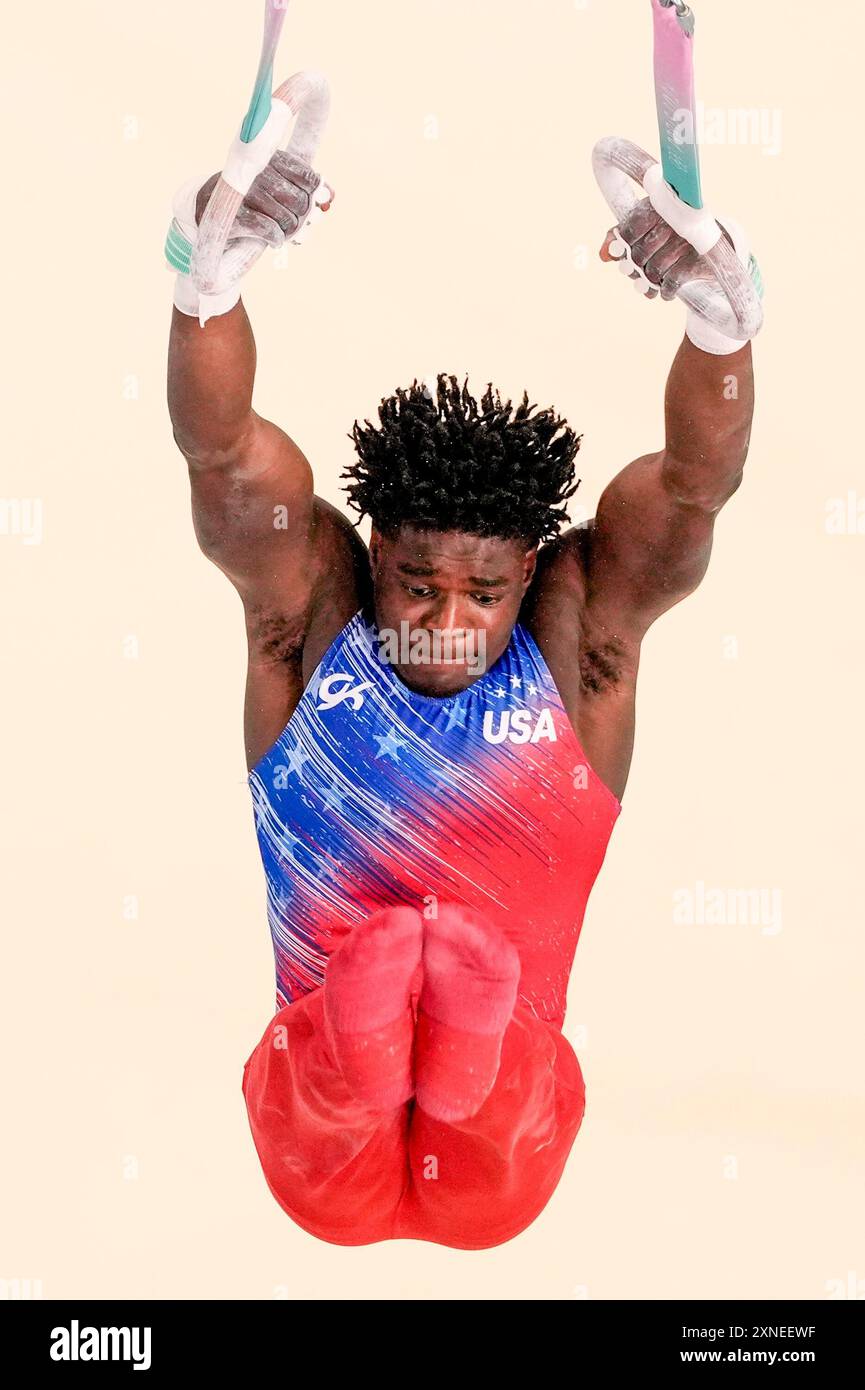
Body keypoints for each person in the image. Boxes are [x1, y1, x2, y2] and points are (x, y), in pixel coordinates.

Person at [166, 131, 758, 1249]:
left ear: (527, 572)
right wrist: (208, 286)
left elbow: (692, 487)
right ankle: (364, 1040)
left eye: (481, 592)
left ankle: (461, 1039)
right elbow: (222, 456)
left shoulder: (584, 641)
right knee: (348, 1048)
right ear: (375, 549)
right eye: (416, 583)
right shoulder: (309, 614)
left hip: (505, 1145)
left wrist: (718, 326)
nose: (443, 622)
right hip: (315, 1129)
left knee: (485, 1059)